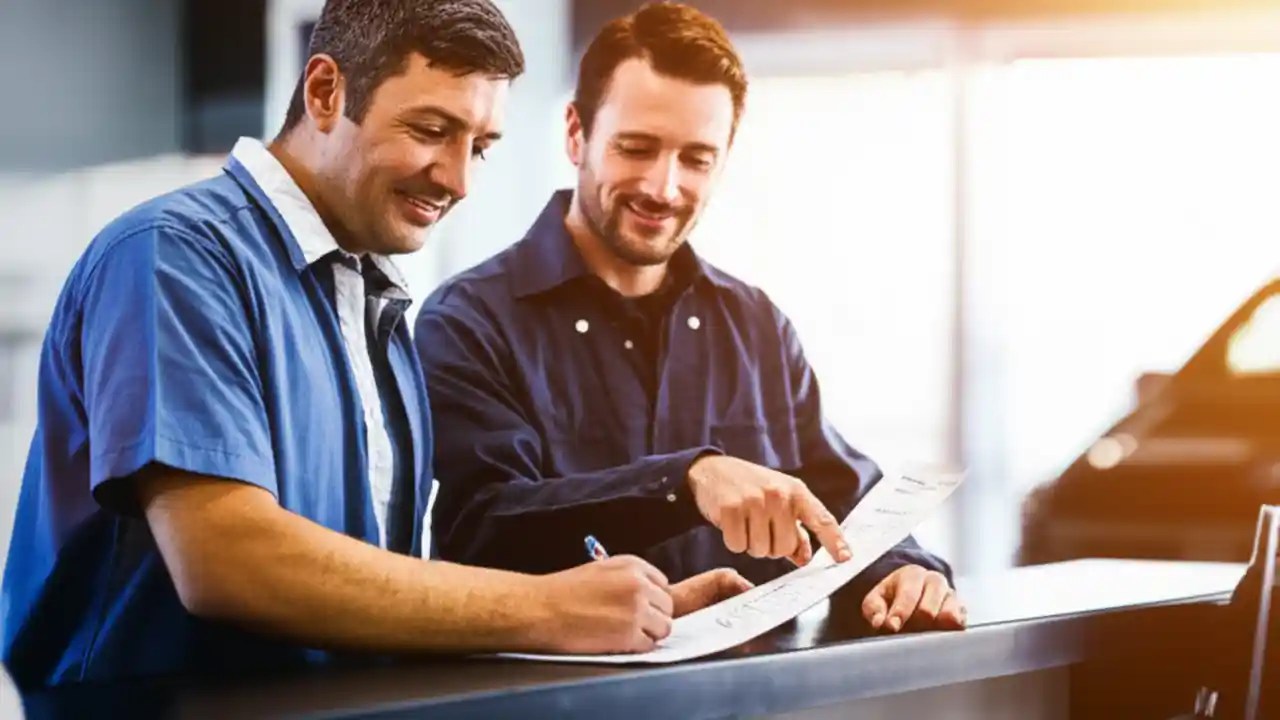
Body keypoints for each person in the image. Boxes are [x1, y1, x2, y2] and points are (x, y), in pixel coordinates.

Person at [0, 0, 750, 690]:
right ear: (325, 92)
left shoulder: (376, 312)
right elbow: (228, 560)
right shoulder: (177, 255)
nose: (457, 179)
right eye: (430, 131)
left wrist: (625, 625)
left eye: (480, 146)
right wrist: (549, 608)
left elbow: (376, 595)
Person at [416, 1, 965, 634]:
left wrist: (901, 566)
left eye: (696, 159)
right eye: (636, 148)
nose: (663, 187)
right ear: (575, 133)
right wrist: (686, 480)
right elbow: (482, 533)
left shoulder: (756, 325)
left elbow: (843, 496)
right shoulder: (468, 322)